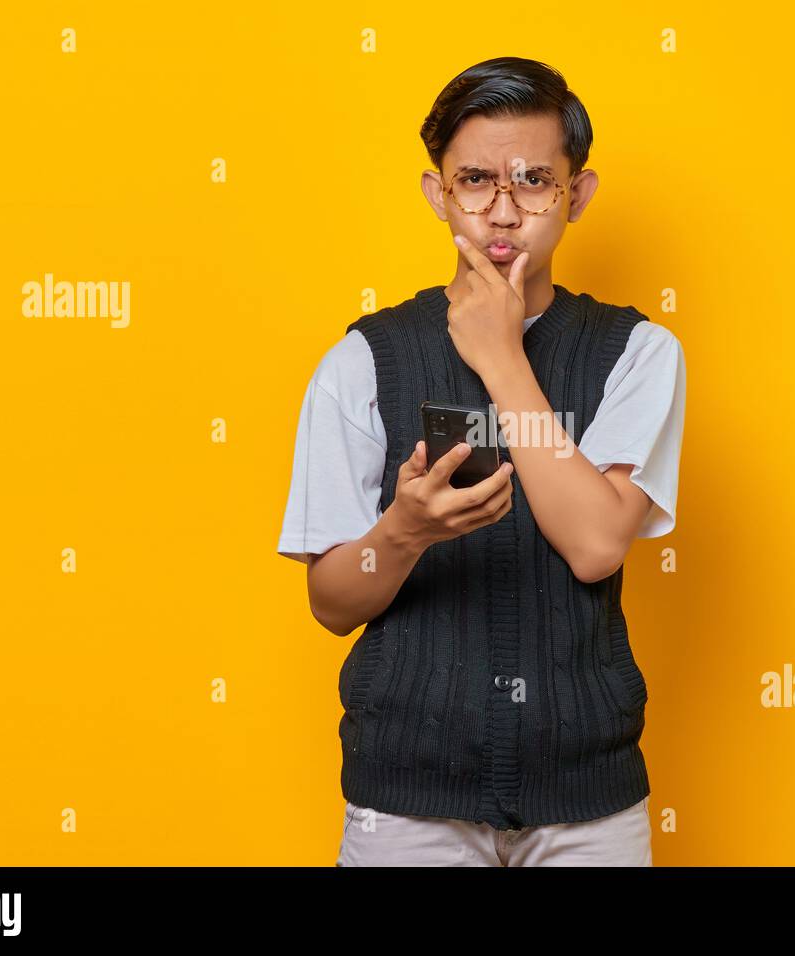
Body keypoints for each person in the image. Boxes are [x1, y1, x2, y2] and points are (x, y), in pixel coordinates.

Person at [277, 56, 685, 866]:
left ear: (579, 193)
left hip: (588, 800)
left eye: (535, 181)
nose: (503, 214)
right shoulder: (365, 360)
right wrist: (401, 533)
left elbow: (596, 544)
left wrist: (502, 359)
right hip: (407, 799)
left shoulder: (638, 352)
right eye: (474, 181)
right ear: (438, 194)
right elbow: (331, 599)